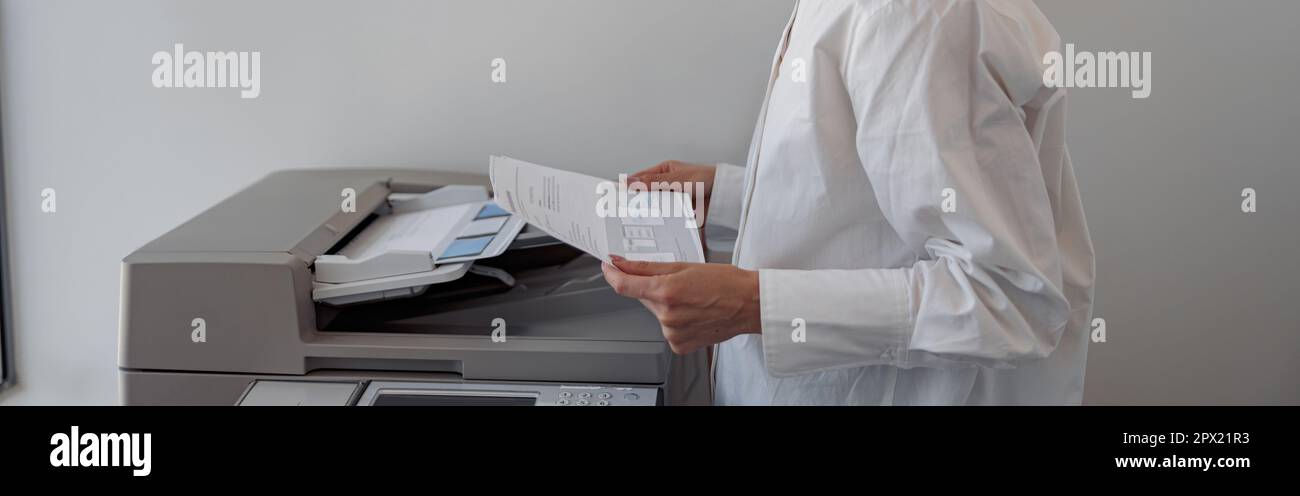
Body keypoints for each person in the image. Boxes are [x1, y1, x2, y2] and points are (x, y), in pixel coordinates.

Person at [601, 0, 1096, 405]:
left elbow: (1009, 301)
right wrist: (730, 192)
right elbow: (873, 182)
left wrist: (753, 305)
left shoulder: (912, 16)